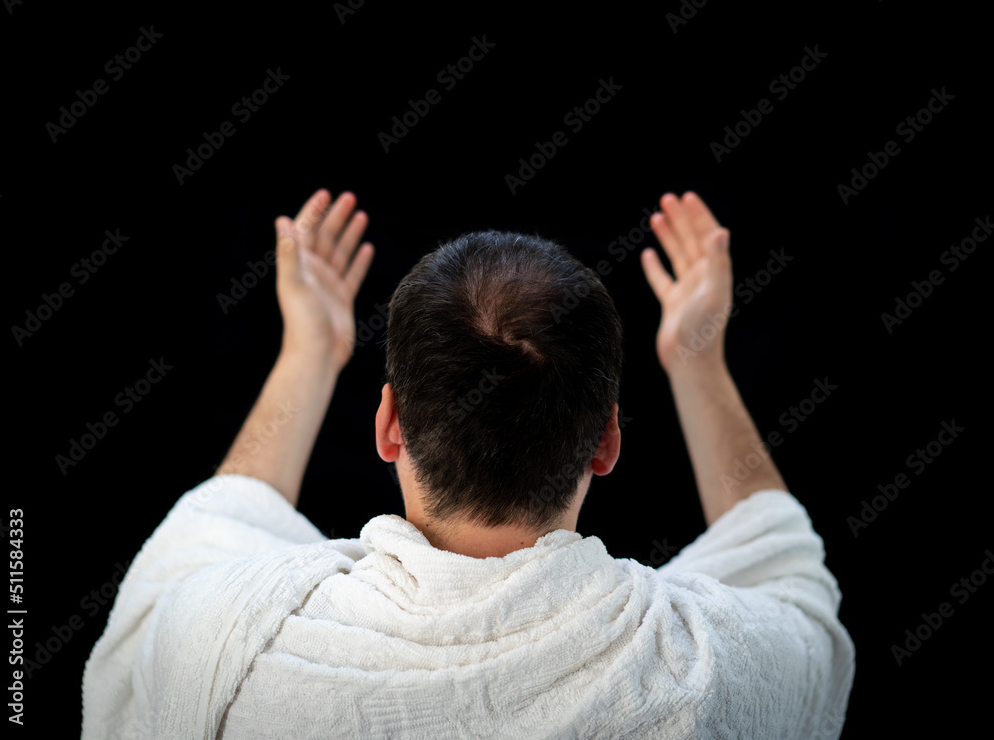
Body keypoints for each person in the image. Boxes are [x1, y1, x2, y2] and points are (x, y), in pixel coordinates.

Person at [81, 188, 855, 739]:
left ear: (387, 425)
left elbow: (216, 523)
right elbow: (787, 572)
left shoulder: (221, 641)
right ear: (609, 441)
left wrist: (310, 353)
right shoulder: (706, 670)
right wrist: (697, 361)